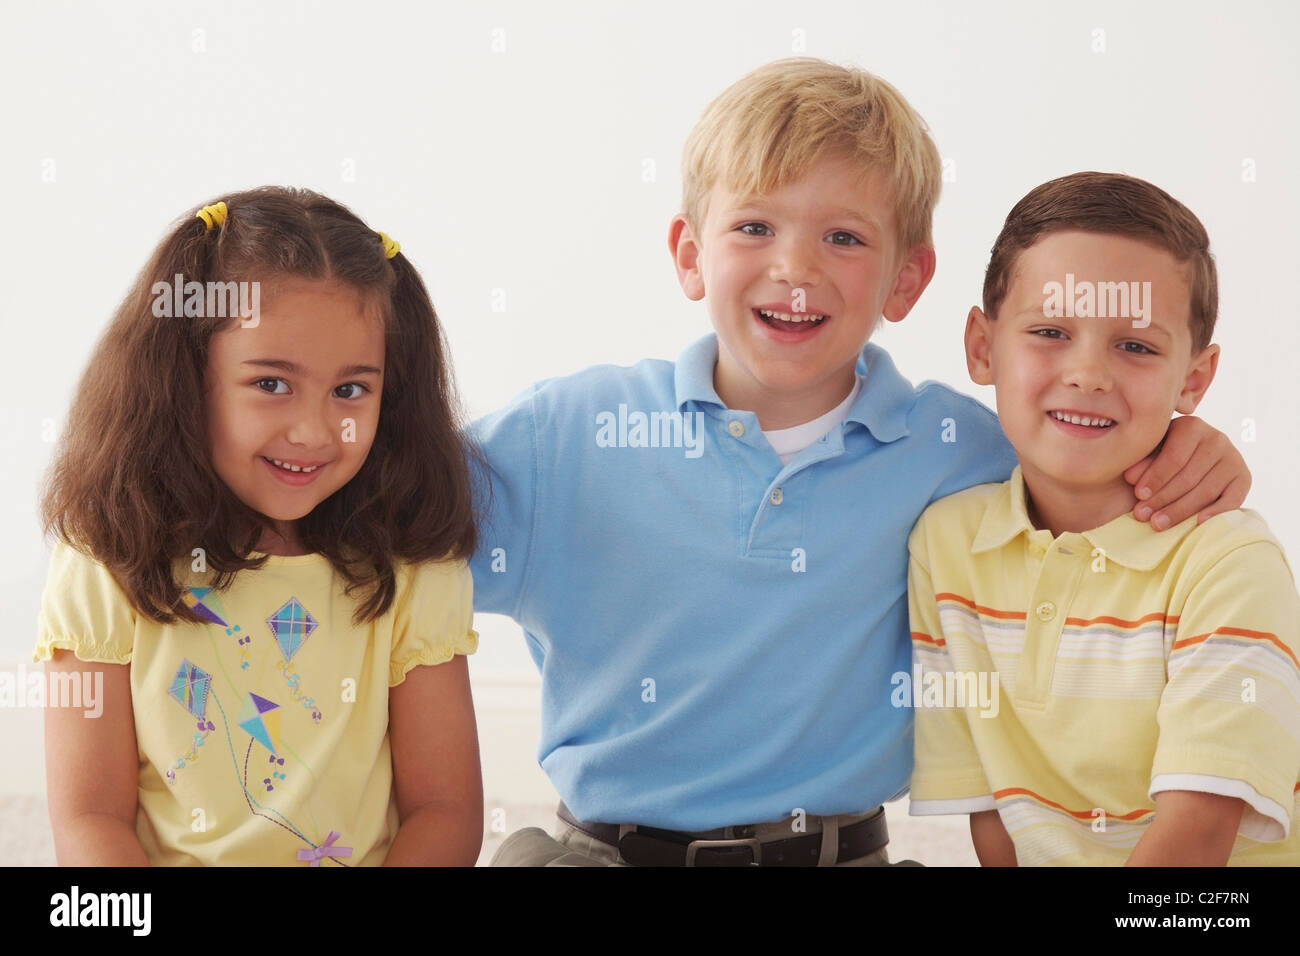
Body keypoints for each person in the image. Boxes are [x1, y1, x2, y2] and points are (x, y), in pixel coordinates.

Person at [475, 59, 1253, 866]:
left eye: (843, 238)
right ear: (689, 253)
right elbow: (387, 520)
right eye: (754, 227)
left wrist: (1184, 446)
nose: (795, 269)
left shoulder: (963, 453)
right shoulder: (569, 433)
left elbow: (1089, 457)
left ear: (906, 280)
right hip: (603, 855)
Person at [36, 188, 483, 866]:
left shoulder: (411, 562)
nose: (313, 431)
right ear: (186, 375)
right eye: (272, 384)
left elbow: (444, 812)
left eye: (351, 390)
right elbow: (90, 821)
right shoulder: (106, 557)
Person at [907, 171, 1300, 865]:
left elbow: (1198, 834)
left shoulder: (1229, 562)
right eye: (1051, 331)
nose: (1088, 373)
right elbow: (993, 811)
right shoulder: (946, 544)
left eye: (1136, 346)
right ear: (981, 346)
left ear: (1194, 380)